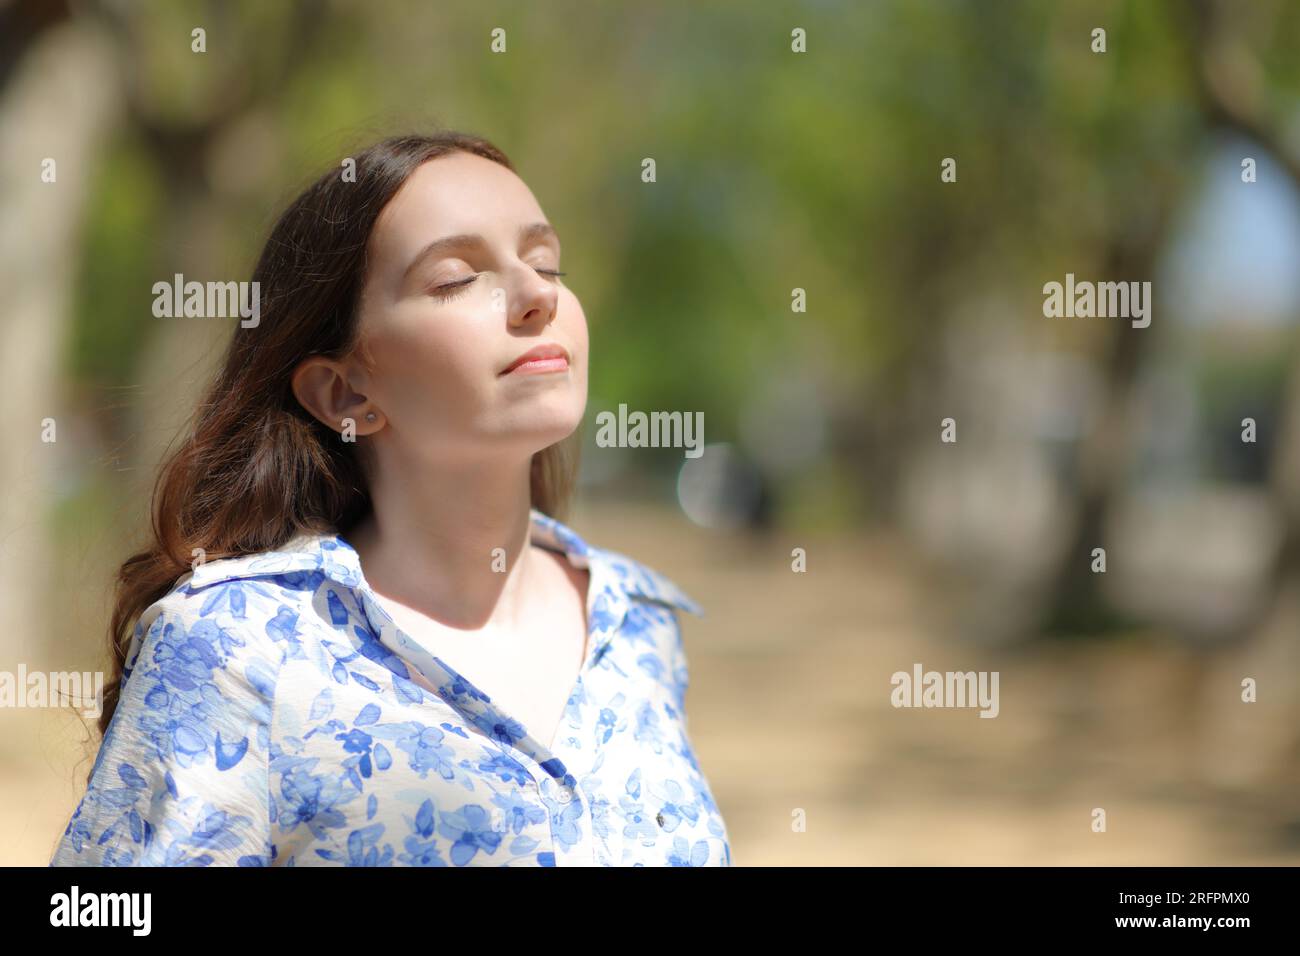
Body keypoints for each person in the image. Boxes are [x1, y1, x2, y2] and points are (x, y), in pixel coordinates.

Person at [49, 131, 731, 867]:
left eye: (545, 263)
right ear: (346, 391)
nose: (538, 296)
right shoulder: (232, 645)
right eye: (456, 278)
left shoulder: (640, 626)